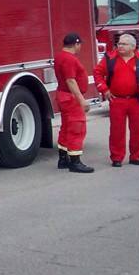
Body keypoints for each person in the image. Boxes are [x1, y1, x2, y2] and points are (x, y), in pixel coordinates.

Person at [94, 33, 139, 167]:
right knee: (116, 131)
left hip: (137, 101)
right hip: (117, 100)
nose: (120, 46)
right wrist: (104, 90)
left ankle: (135, 156)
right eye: (119, 44)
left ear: (133, 46)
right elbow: (97, 73)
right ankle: (117, 158)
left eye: (124, 44)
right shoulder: (109, 58)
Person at [54, 32, 94, 173]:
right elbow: (70, 80)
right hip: (71, 98)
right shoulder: (69, 59)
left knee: (66, 128)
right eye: (80, 44)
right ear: (76, 44)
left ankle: (63, 159)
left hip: (63, 96)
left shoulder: (59, 57)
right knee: (77, 128)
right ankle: (75, 162)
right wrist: (81, 100)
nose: (80, 47)